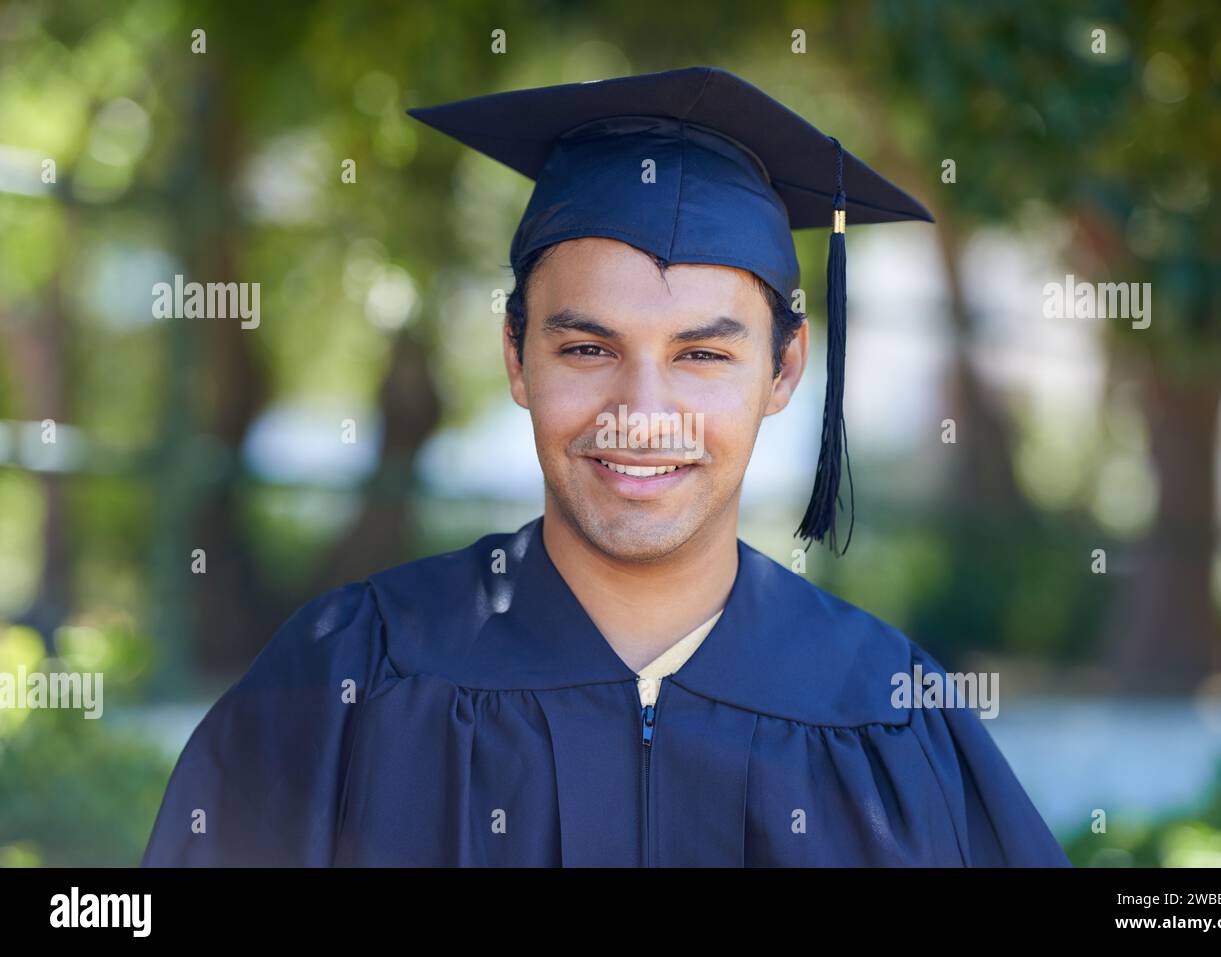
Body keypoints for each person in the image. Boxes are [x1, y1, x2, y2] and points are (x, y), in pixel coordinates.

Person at [141, 66, 1071, 867]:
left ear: (784, 370)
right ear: (515, 357)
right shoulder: (354, 676)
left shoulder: (886, 715)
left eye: (703, 356)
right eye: (588, 350)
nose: (643, 414)